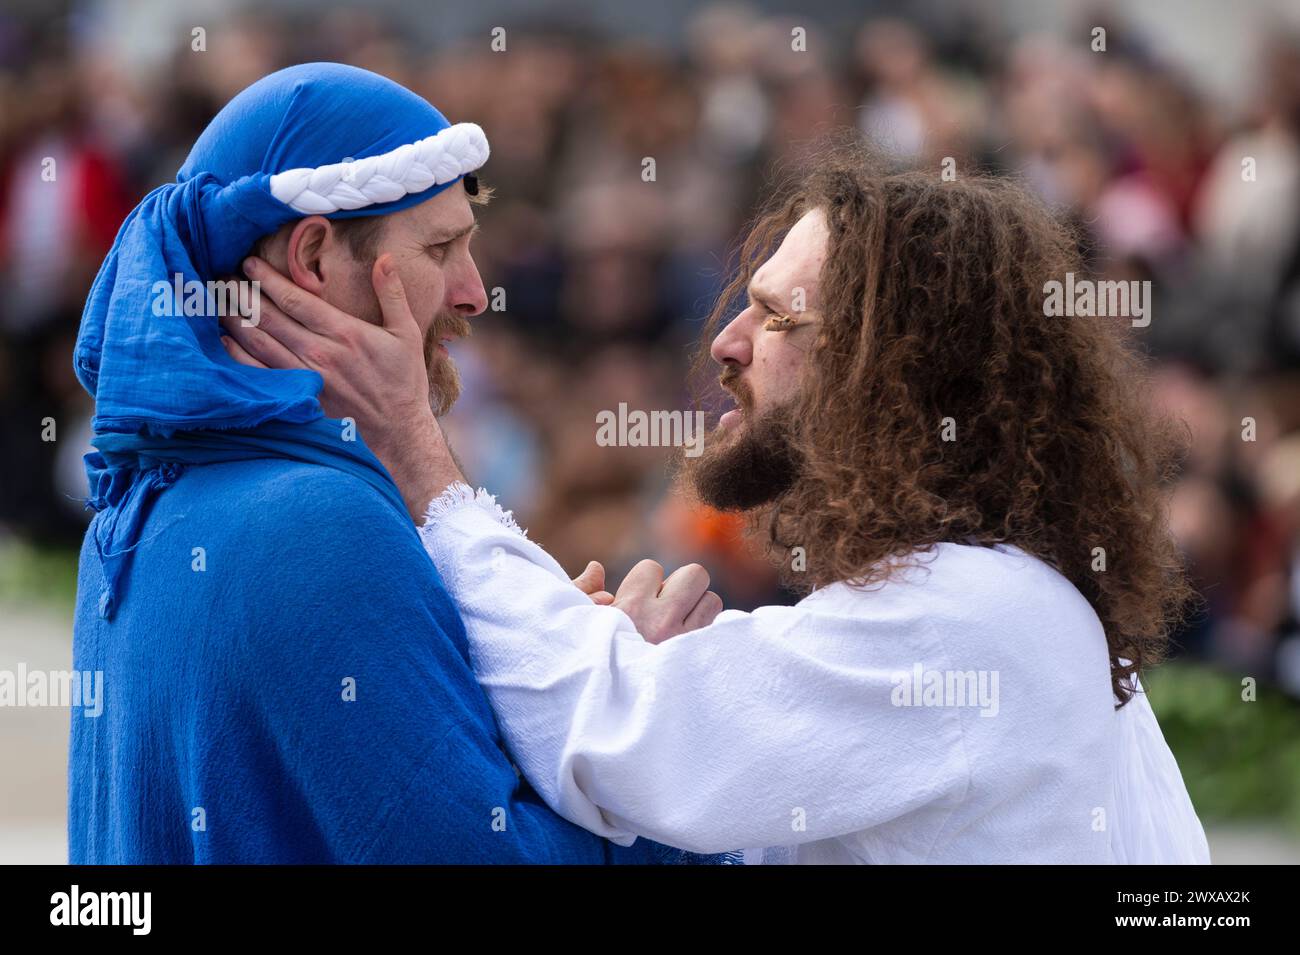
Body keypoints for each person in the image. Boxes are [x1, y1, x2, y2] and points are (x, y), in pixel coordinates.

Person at [224, 142, 1213, 864]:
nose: (726, 343)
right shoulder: (994, 602)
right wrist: (622, 658)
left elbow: (625, 738)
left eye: (780, 317)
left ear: (899, 375)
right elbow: (692, 775)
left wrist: (421, 464)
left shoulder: (972, 617)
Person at [70, 62, 710, 864]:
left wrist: (558, 683)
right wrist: (638, 724)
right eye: (441, 247)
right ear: (311, 257)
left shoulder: (138, 510)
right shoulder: (314, 524)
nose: (475, 293)